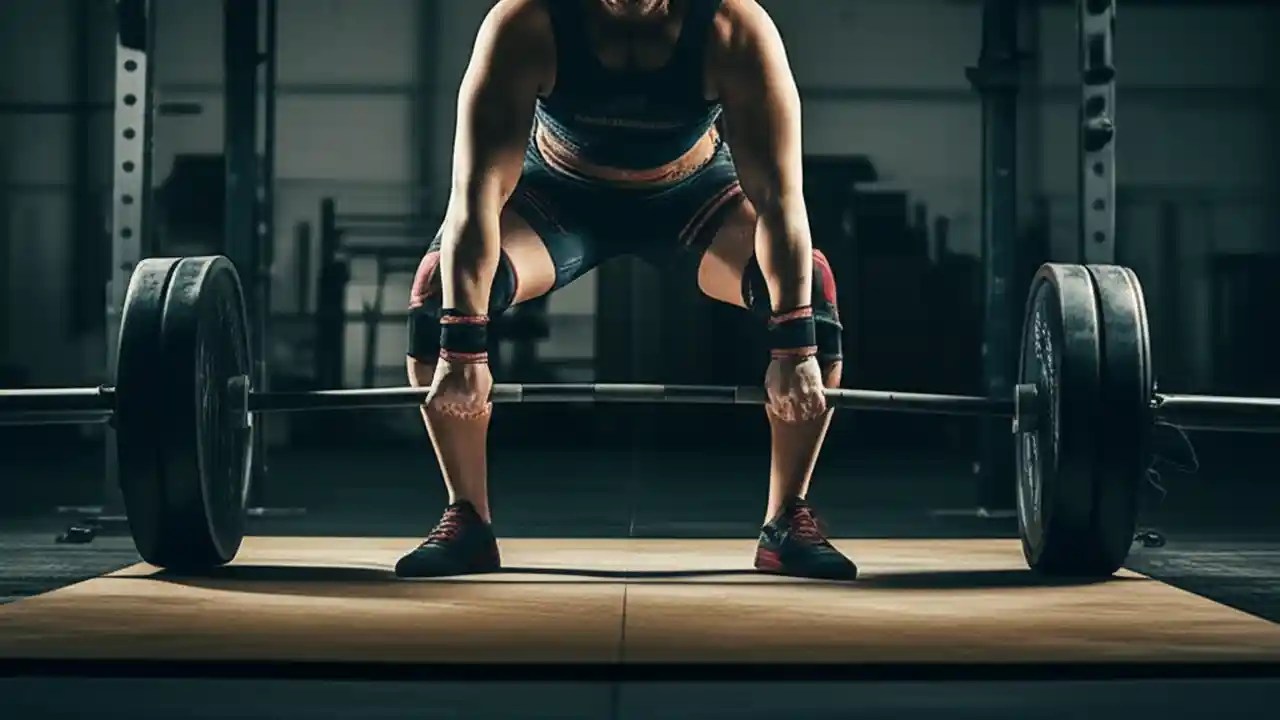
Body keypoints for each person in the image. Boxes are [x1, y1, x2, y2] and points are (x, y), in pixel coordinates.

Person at [400, 0, 856, 580]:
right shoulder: (526, 23)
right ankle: (466, 517)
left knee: (808, 290)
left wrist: (795, 353)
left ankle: (786, 519)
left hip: (690, 201)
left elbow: (781, 202)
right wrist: (462, 351)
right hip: (558, 200)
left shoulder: (733, 27)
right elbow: (475, 196)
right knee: (441, 289)